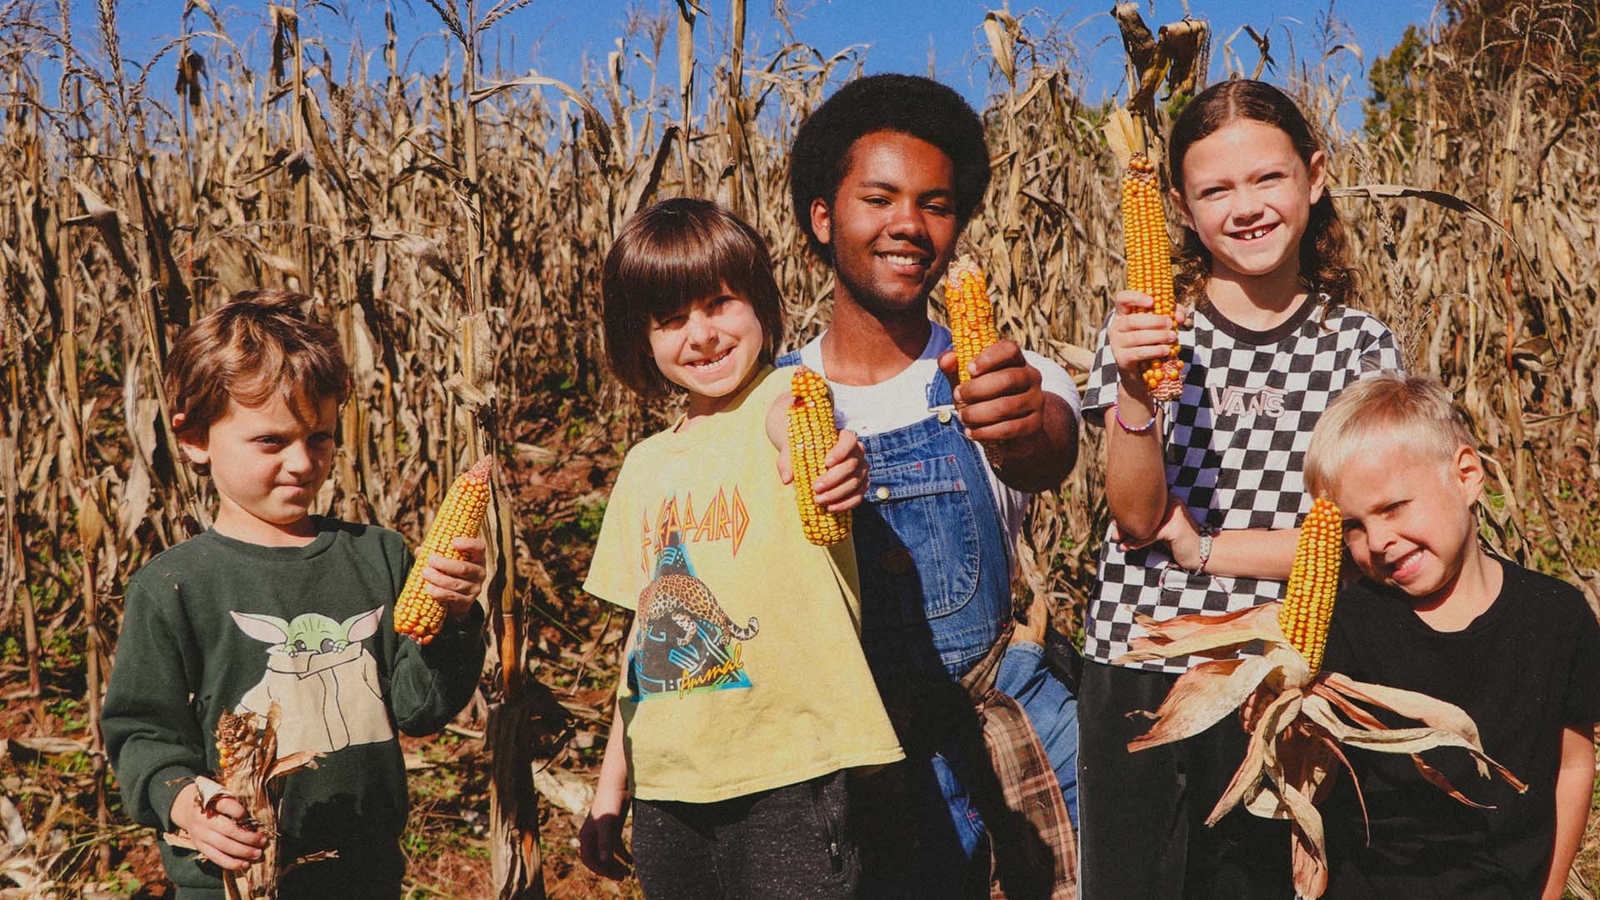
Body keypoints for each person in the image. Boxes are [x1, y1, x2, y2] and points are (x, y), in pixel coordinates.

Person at [1077, 78, 1405, 898]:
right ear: (1183, 211)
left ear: (1315, 177)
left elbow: (1362, 539)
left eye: (1267, 178)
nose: (1245, 207)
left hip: (1284, 669)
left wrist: (1210, 547)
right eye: (1215, 190)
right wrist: (1133, 388)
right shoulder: (1150, 329)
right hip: (1140, 656)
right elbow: (1135, 513)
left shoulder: (1358, 348)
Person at [783, 73, 1082, 898]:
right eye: (879, 198)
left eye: (937, 204)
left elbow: (1045, 445)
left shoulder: (1005, 374)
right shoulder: (771, 402)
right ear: (822, 216)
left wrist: (1021, 422)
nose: (909, 224)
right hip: (860, 765)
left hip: (1013, 738)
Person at [101, 290, 488, 899]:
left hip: (362, 874)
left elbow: (419, 708)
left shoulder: (379, 557)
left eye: (321, 438)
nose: (303, 462)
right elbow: (142, 734)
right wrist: (185, 803)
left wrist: (456, 616)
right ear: (196, 437)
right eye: (272, 441)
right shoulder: (175, 587)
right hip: (227, 879)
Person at [577, 198, 903, 899]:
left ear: (759, 303)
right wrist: (612, 789)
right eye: (670, 321)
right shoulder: (644, 466)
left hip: (792, 765)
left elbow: (804, 428)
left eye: (719, 304)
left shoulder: (788, 396)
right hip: (668, 784)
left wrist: (826, 461)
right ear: (642, 341)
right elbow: (645, 635)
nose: (700, 335)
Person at [1305, 372, 1600, 900]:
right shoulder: (1346, 624)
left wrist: (1551, 891)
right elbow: (1311, 778)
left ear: (1466, 476)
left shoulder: (1558, 618)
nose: (1378, 540)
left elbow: (1574, 764)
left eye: (1393, 508)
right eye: (1353, 525)